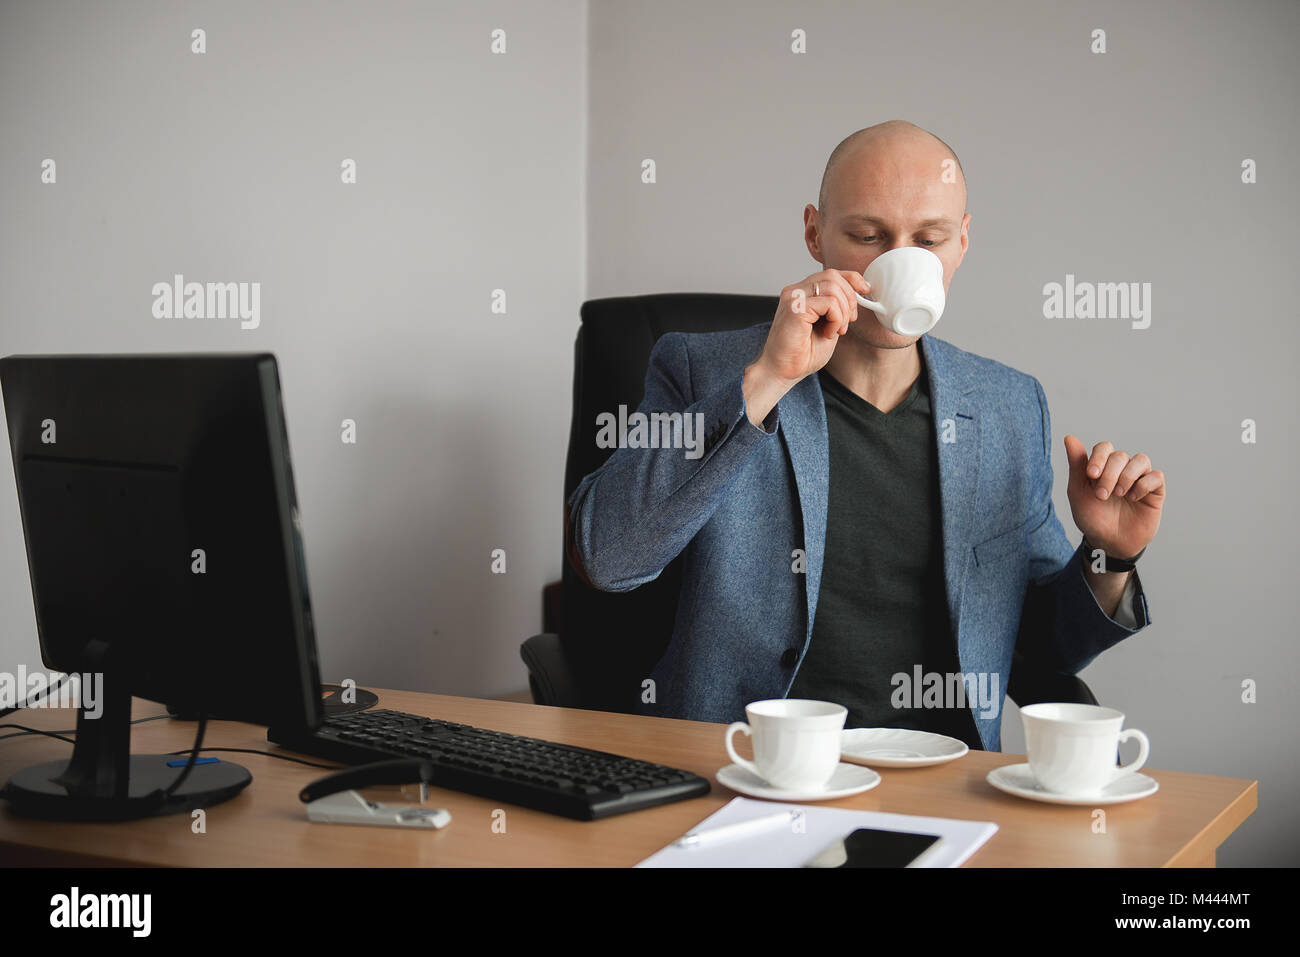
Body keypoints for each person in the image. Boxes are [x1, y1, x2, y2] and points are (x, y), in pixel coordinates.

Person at [565, 120, 1165, 751]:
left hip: (942, 776)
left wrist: (1108, 558)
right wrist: (768, 379)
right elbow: (608, 559)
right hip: (751, 771)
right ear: (813, 232)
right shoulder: (702, 370)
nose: (898, 261)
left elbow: (1040, 650)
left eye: (928, 239)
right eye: (867, 236)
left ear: (963, 242)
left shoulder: (1008, 407)